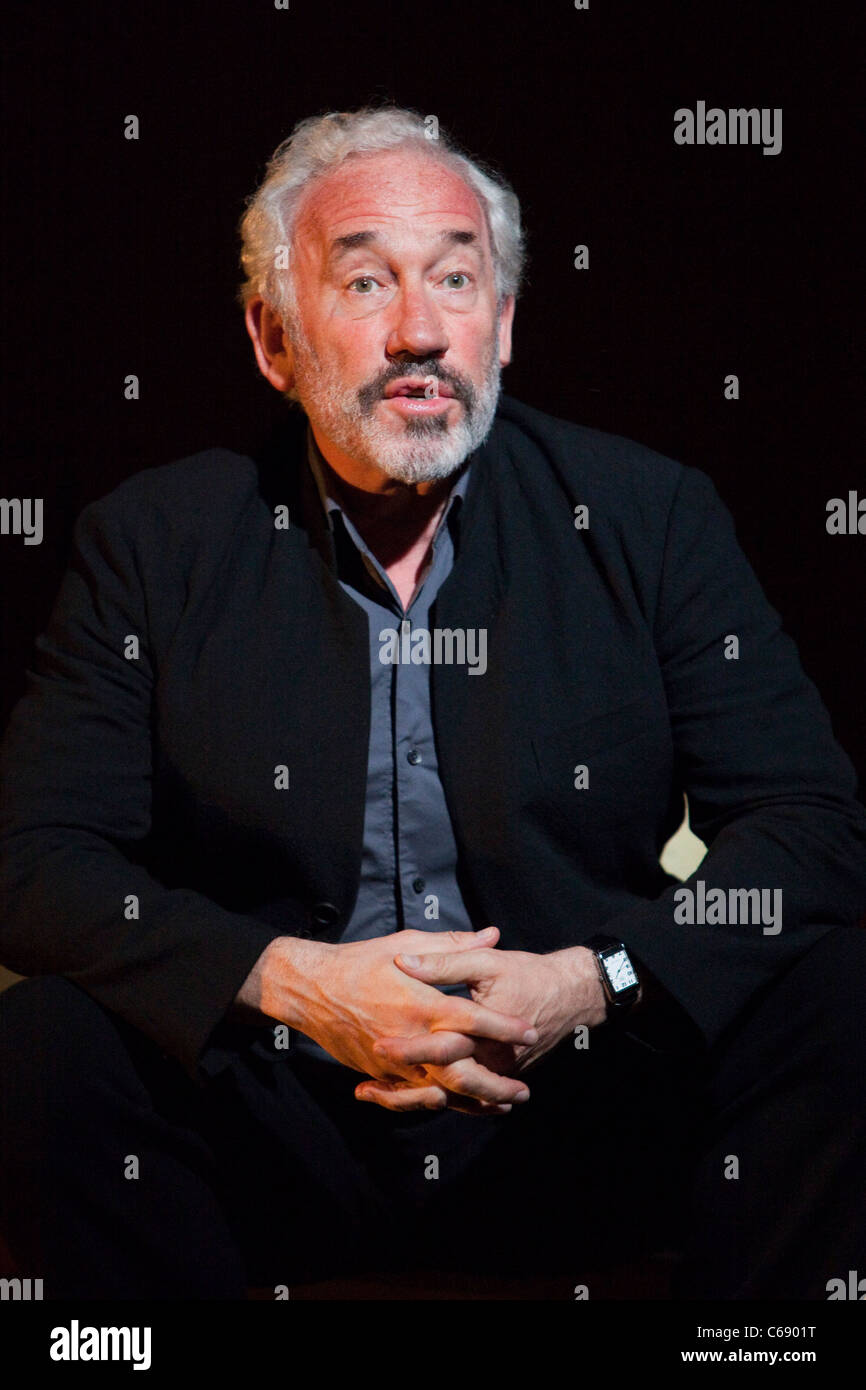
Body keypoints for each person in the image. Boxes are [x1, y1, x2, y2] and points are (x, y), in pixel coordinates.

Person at [1, 105, 865, 1302]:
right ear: (273, 335)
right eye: (364, 282)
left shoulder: (645, 514)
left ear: (503, 323)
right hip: (280, 1114)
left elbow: (808, 825)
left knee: (833, 994)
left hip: (576, 1107)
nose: (420, 332)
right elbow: (34, 860)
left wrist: (592, 981)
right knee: (43, 1044)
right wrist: (290, 980)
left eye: (456, 279)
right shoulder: (155, 543)